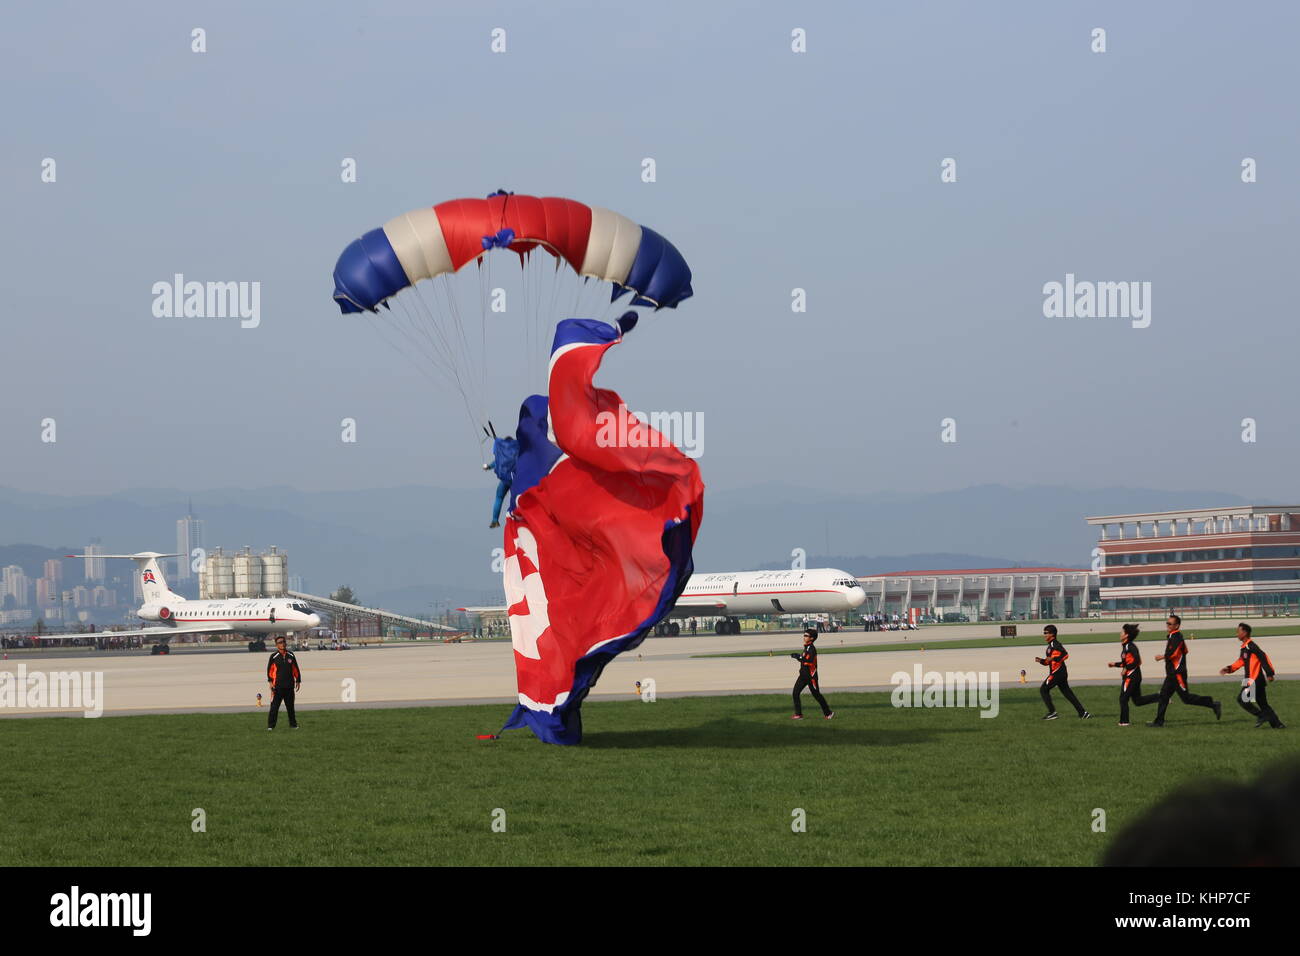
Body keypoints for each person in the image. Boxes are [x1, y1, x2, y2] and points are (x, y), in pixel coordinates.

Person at [1148, 613, 1221, 727]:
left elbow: (1175, 653)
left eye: (1170, 623)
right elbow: (1184, 651)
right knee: (1163, 696)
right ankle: (1159, 722)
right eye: (1167, 623)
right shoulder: (1173, 636)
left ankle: (1212, 703)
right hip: (1172, 674)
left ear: (1176, 626)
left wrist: (1162, 657)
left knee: (1186, 698)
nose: (1167, 625)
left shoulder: (1176, 637)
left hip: (1177, 674)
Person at [1219, 622, 1285, 729]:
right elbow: (1241, 661)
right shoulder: (1244, 648)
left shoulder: (1251, 646)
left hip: (1253, 680)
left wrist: (1269, 673)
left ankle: (1261, 716)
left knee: (1242, 700)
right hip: (1251, 680)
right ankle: (1278, 725)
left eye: (1238, 631)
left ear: (1244, 633)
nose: (1237, 634)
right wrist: (1229, 668)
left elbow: (1263, 657)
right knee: (1263, 704)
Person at [1036, 624, 1091, 720]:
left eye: (1046, 633)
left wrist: (1053, 658)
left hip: (1058, 673)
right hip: (1060, 673)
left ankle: (1052, 713)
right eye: (1043, 633)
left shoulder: (1055, 644)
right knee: (1068, 693)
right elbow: (1048, 662)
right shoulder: (1050, 646)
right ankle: (1083, 713)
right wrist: (1041, 660)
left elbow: (1065, 655)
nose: (1044, 635)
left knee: (1043, 689)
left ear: (1052, 634)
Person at [1108, 623, 1158, 726]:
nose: (1120, 633)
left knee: (1123, 698)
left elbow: (1137, 661)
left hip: (1132, 676)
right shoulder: (1126, 646)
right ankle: (1161, 696)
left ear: (1126, 635)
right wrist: (1115, 664)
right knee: (1138, 701)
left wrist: (1126, 668)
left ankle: (1124, 722)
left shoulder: (1130, 646)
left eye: (1122, 631)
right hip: (1133, 675)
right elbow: (1126, 662)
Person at [790, 627, 833, 720]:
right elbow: (804, 659)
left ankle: (828, 713)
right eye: (804, 635)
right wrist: (798, 657)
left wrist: (799, 657)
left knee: (816, 695)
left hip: (811, 677)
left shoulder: (812, 649)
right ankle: (798, 714)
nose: (804, 637)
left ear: (812, 638)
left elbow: (808, 661)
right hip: (803, 676)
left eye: (806, 636)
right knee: (795, 693)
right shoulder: (806, 647)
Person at [266, 635, 302, 730]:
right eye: (280, 642)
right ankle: (271, 726)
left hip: (289, 686)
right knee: (274, 708)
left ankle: (293, 725)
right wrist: (270, 682)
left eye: (284, 642)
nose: (283, 644)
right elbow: (269, 671)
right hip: (277, 687)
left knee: (290, 707)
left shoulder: (291, 655)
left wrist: (298, 680)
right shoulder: (274, 656)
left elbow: (295, 669)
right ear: (276, 645)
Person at [484, 434, 519, 529]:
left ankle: (495, 521)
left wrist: (488, 467)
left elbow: (496, 462)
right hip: (516, 479)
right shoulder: (517, 451)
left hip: (504, 480)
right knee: (516, 499)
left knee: (499, 497)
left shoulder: (502, 454)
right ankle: (517, 517)